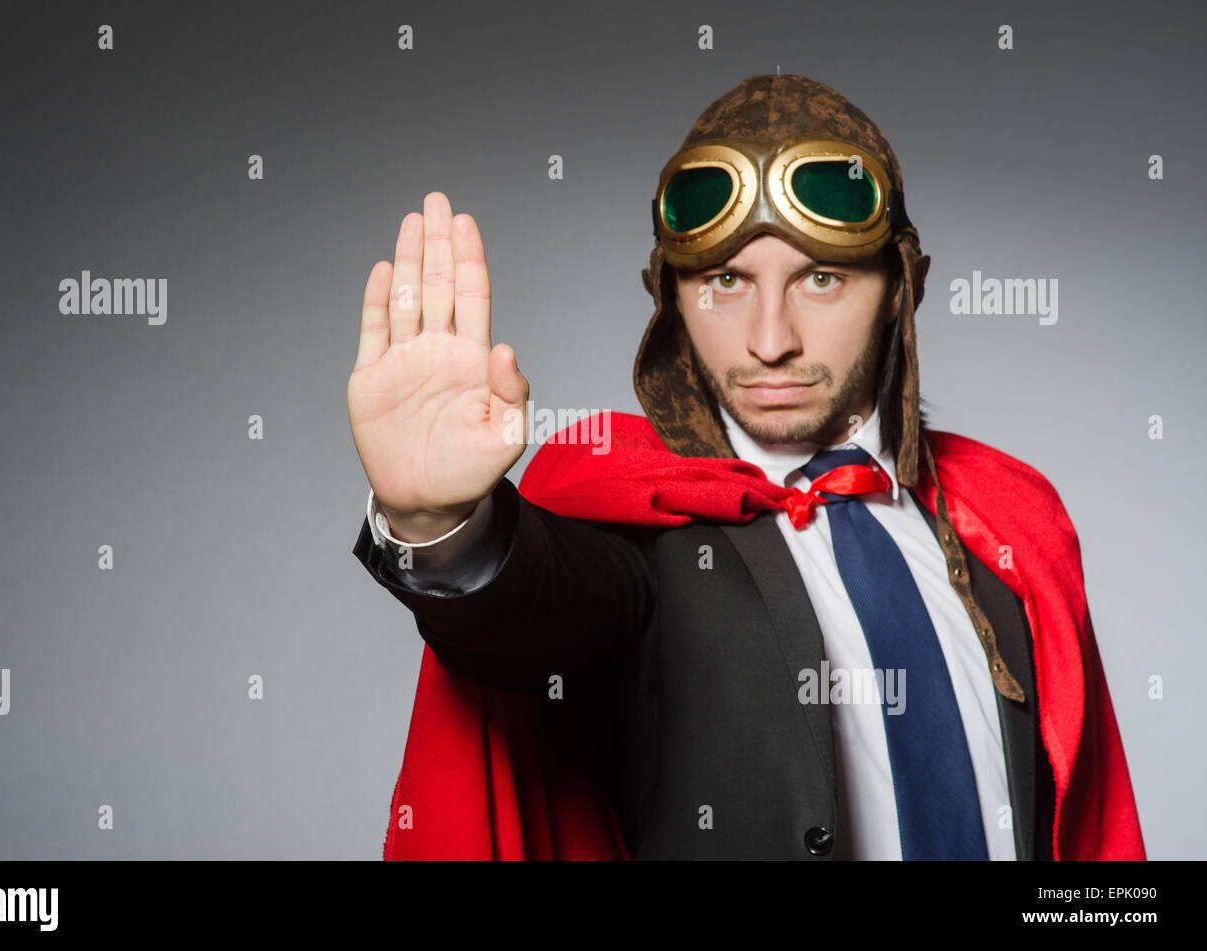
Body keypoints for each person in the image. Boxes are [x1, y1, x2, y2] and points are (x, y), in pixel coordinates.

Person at [347, 73, 1145, 860]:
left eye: (821, 279)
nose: (770, 339)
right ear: (671, 296)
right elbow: (534, 607)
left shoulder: (1010, 525)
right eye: (725, 282)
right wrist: (437, 524)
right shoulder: (637, 526)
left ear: (903, 287)